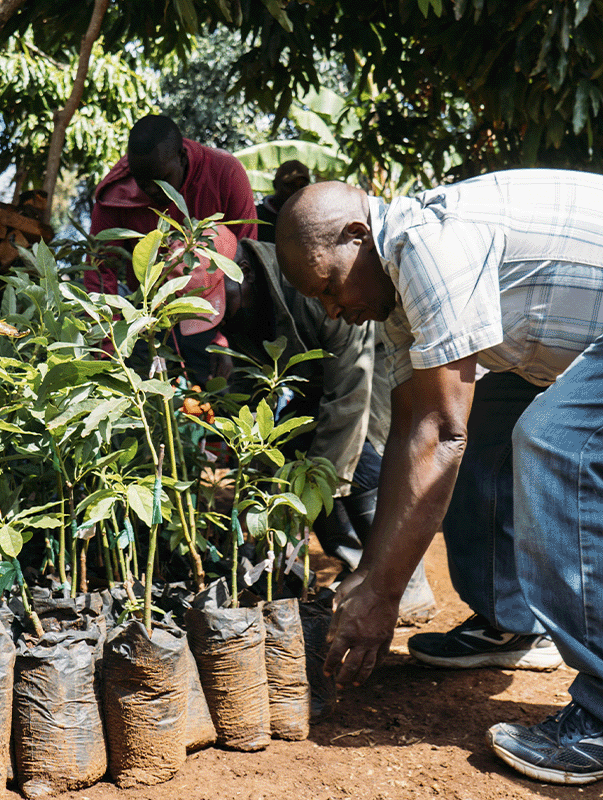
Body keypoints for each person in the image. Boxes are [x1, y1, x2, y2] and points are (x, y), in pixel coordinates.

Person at [274, 170, 603, 785]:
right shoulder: (395, 284)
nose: (335, 312)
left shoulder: (426, 245)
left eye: (330, 288)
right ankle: (510, 622)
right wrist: (372, 574)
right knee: (492, 423)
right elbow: (411, 434)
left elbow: (438, 433)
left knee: (554, 442)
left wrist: (381, 594)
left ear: (356, 235)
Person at [222, 239, 435, 622]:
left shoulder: (306, 279)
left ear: (245, 273)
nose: (220, 316)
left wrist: (316, 487)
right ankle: (359, 565)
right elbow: (249, 387)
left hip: (378, 367)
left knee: (357, 457)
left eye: (222, 302)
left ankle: (407, 583)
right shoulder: (240, 304)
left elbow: (352, 388)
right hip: (321, 384)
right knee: (296, 451)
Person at [87, 114, 258, 382]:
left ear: (181, 157)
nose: (152, 191)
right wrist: (106, 352)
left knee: (231, 390)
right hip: (150, 319)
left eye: (161, 180)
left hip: (215, 313)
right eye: (143, 182)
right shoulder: (115, 196)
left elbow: (247, 260)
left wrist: (225, 336)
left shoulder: (224, 172)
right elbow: (100, 274)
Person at [255, 160, 311, 243]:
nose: (296, 191)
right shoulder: (256, 218)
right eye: (290, 185)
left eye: (302, 187)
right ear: (275, 185)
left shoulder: (308, 220)